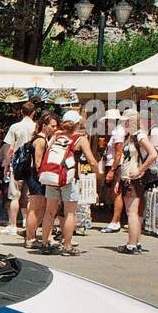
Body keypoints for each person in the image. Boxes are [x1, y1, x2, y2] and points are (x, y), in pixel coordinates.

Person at [39, 111, 97, 256]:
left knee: (49, 212)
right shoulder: (80, 139)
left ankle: (45, 243)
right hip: (69, 179)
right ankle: (67, 246)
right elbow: (91, 160)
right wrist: (98, 173)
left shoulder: (57, 135)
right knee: (70, 212)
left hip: (52, 177)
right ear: (77, 123)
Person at [0, 101, 36, 235]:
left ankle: (13, 225)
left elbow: (10, 148)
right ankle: (27, 222)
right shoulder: (36, 127)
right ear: (33, 113)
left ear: (21, 112)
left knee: (14, 196)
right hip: (32, 165)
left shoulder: (15, 127)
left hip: (17, 165)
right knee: (29, 197)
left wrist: (7, 165)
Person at [116, 120, 158, 255]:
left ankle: (132, 244)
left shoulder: (139, 135)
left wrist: (140, 169)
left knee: (132, 212)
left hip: (134, 179)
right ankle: (136, 241)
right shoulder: (131, 136)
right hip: (129, 177)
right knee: (134, 212)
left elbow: (153, 154)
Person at [23, 113, 55, 250]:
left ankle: (31, 234)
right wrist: (43, 178)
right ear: (44, 125)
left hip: (35, 177)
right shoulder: (41, 140)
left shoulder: (41, 138)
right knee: (35, 208)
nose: (54, 128)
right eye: (52, 126)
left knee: (40, 207)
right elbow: (38, 162)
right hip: (36, 177)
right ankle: (30, 238)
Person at [99, 108, 127, 233]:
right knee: (114, 192)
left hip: (115, 165)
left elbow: (119, 153)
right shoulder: (115, 131)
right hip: (112, 164)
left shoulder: (118, 132)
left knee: (116, 193)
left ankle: (115, 221)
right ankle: (115, 220)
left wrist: (112, 170)